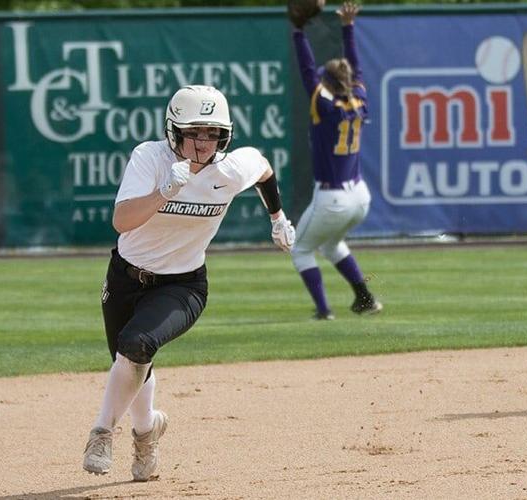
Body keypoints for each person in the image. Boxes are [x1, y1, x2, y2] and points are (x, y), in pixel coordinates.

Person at [82, 85, 296, 481]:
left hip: (183, 285)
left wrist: (278, 218)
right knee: (130, 361)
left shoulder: (230, 169)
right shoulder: (150, 158)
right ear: (174, 131)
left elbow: (263, 169)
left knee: (137, 344)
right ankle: (147, 432)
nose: (203, 142)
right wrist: (165, 191)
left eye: (213, 133)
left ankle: (101, 433)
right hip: (126, 277)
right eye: (194, 132)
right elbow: (122, 221)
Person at [290, 1, 382, 321]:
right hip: (360, 196)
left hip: (332, 197)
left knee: (300, 249)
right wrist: (348, 27)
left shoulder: (325, 106)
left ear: (327, 83)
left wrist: (298, 32)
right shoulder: (359, 100)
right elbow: (355, 69)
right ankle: (365, 298)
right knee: (330, 245)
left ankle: (323, 310)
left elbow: (307, 71)